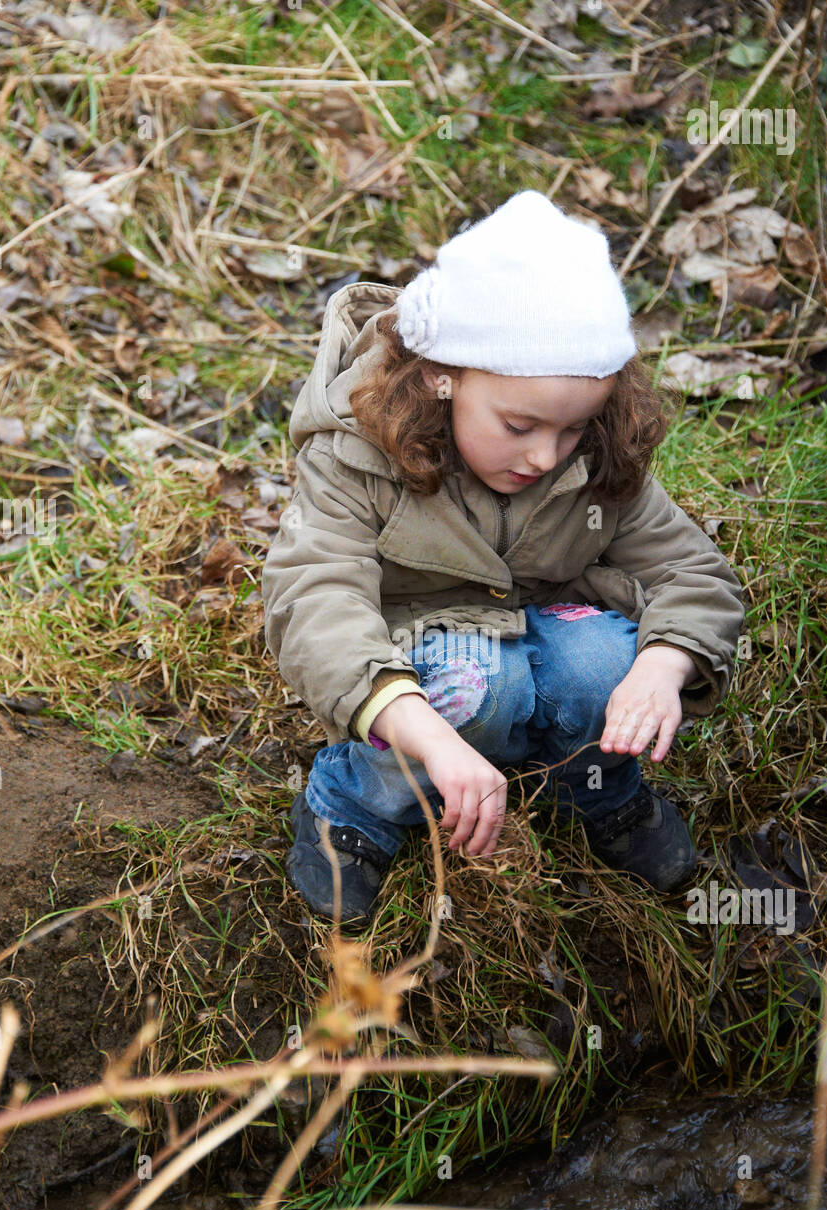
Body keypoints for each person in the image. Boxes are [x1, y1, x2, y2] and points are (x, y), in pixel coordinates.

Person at [262, 189, 745, 925]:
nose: (544, 455)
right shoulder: (357, 453)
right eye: (518, 425)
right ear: (439, 374)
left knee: (604, 666)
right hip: (418, 662)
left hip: (544, 627)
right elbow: (316, 596)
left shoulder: (590, 456)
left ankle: (592, 786)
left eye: (573, 428)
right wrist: (424, 731)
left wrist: (664, 664)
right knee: (477, 683)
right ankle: (360, 808)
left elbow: (692, 572)